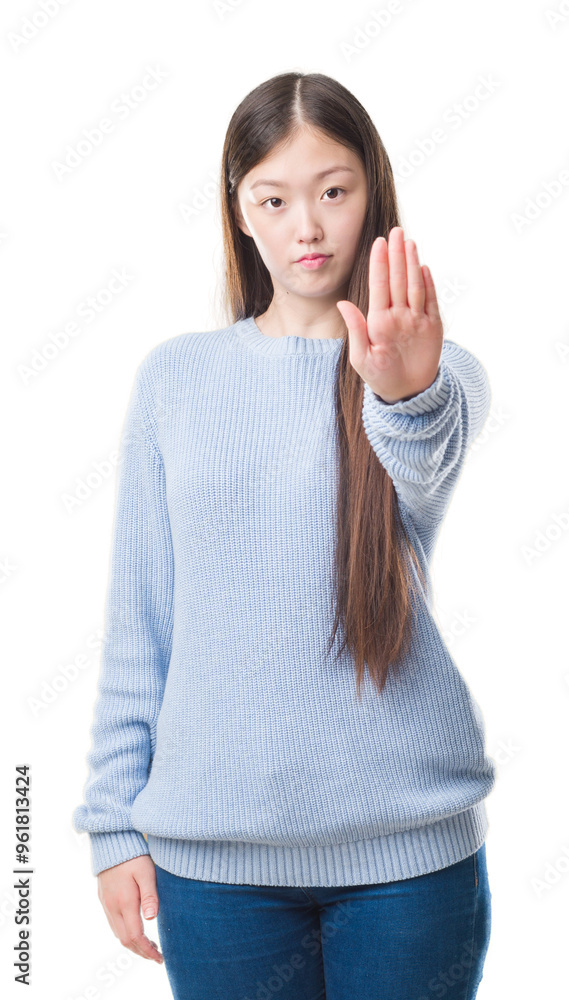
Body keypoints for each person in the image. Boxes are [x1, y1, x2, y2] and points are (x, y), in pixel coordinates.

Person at [72, 71, 496, 1000]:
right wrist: (112, 825)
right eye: (275, 198)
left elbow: (421, 474)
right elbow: (140, 621)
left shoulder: (434, 373)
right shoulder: (175, 381)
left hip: (405, 863)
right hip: (213, 871)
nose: (307, 227)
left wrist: (402, 388)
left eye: (333, 192)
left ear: (370, 194)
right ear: (241, 212)